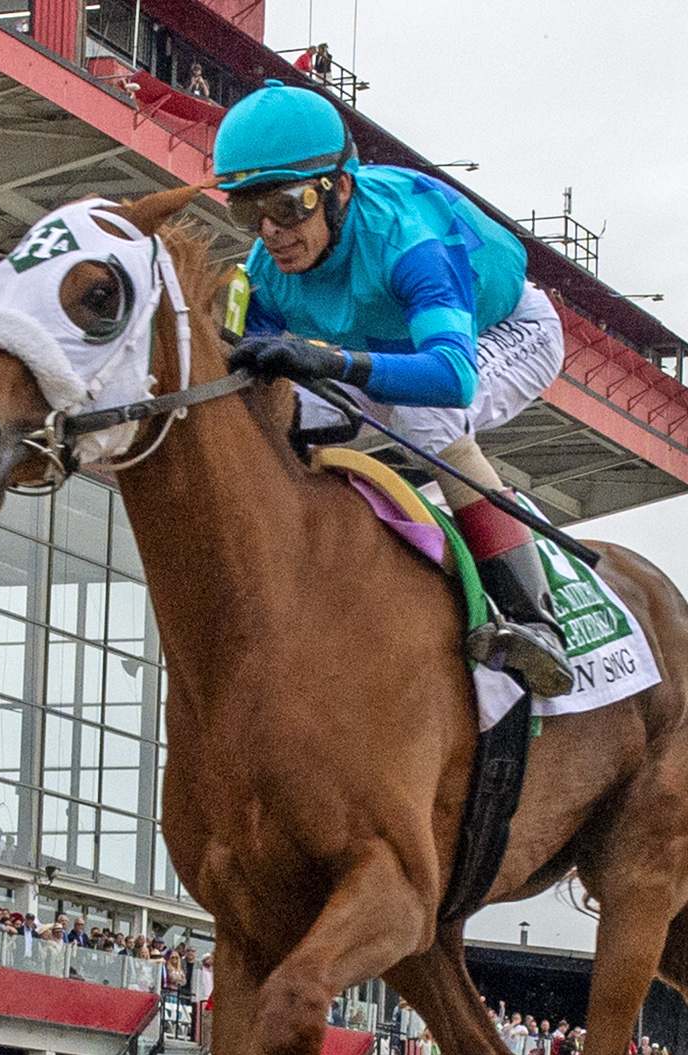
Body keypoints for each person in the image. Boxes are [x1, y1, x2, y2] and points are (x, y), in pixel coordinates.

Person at [213, 82, 574, 696]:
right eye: (249, 211)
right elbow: (253, 381)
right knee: (283, 409)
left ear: (339, 189)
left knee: (426, 418)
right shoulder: (265, 274)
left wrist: (331, 362)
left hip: (505, 333)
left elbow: (452, 378)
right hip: (388, 353)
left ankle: (536, 625)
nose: (272, 231)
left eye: (291, 204)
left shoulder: (411, 243)